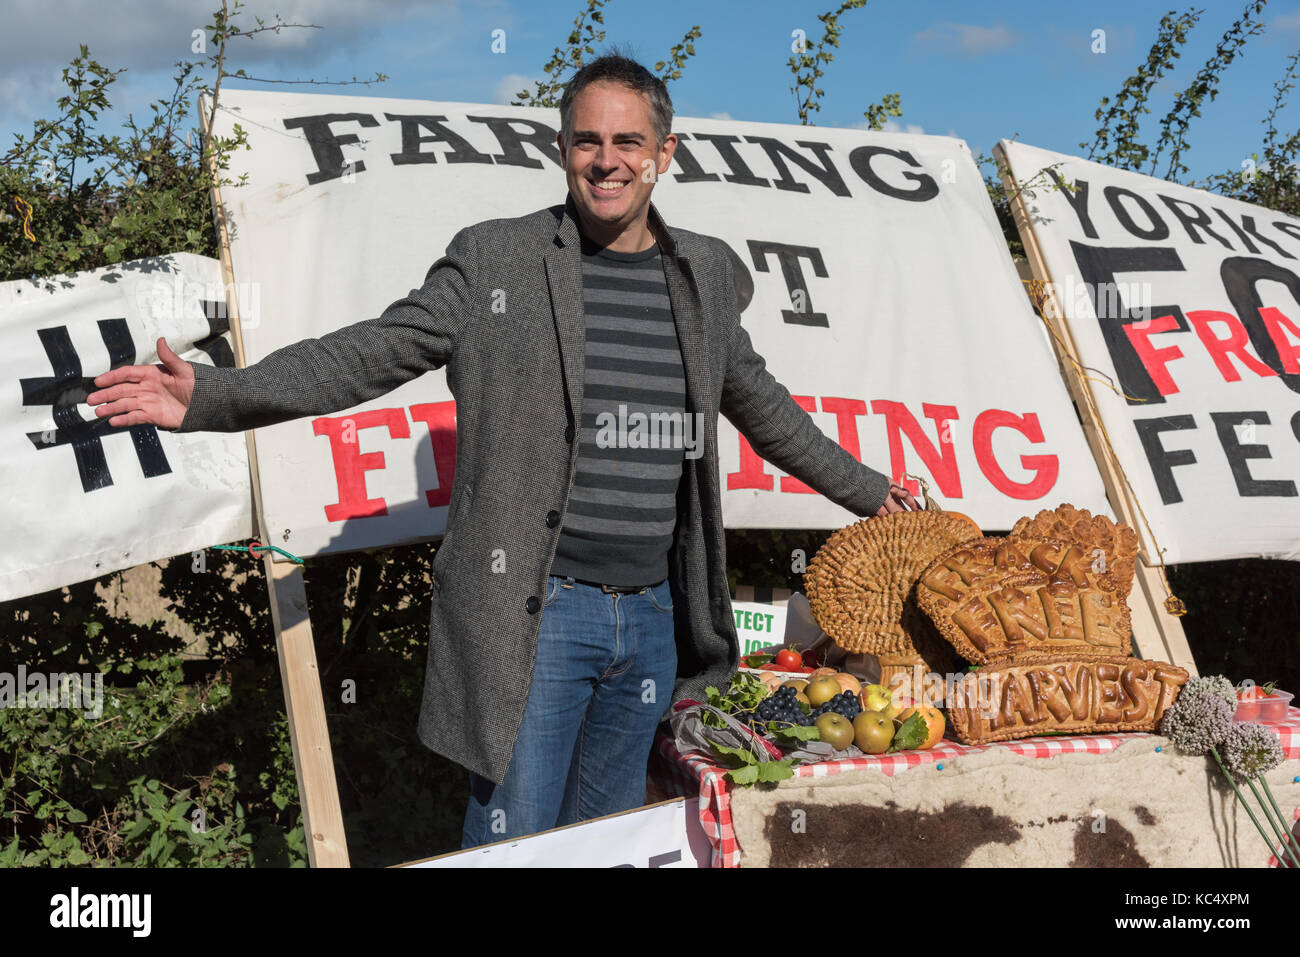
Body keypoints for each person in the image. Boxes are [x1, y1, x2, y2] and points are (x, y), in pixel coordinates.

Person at [87, 52, 917, 849]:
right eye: (587, 140)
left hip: (658, 616)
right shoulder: (498, 258)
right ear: (562, 150)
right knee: (514, 844)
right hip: (541, 611)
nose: (606, 160)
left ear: (666, 153)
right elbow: (370, 352)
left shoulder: (702, 274)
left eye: (628, 141)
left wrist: (872, 492)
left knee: (613, 843)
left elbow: (764, 406)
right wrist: (213, 394)